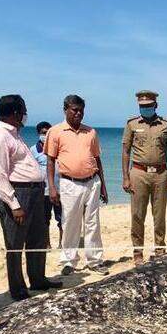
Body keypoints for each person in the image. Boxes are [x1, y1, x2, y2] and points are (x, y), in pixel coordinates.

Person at [0, 94, 61, 300]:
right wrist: (14, 204)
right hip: (18, 193)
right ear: (16, 113)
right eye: (23, 110)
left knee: (38, 237)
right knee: (15, 243)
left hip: (35, 192)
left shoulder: (15, 134)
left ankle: (38, 279)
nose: (25, 115)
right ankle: (18, 289)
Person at [46, 94, 109, 275]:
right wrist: (52, 187)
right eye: (75, 110)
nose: (78, 114)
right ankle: (69, 260)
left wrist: (103, 186)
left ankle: (95, 260)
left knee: (93, 223)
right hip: (69, 183)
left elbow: (98, 159)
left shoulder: (91, 132)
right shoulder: (55, 132)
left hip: (92, 182)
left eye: (81, 110)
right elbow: (50, 161)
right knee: (70, 222)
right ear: (65, 109)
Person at [122, 90, 167, 265]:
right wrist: (125, 177)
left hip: (161, 174)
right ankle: (137, 252)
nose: (145, 108)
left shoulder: (166, 124)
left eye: (148, 106)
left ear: (155, 105)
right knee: (137, 214)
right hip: (138, 173)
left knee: (159, 215)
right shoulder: (131, 124)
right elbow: (125, 151)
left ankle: (160, 248)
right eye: (142, 106)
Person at [30, 120, 63, 249]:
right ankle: (47, 243)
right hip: (43, 192)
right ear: (38, 133)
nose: (45, 135)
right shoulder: (33, 150)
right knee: (44, 220)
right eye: (43, 133)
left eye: (48, 132)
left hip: (59, 189)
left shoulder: (58, 147)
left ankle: (62, 244)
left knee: (62, 219)